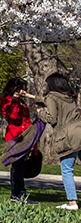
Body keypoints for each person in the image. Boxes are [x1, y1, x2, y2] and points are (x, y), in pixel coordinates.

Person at [34, 73, 81, 211]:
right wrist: (32, 97)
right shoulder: (69, 97)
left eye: (47, 84)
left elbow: (52, 119)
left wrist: (40, 112)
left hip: (68, 136)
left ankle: (72, 203)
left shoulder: (52, 96)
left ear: (52, 84)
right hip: (79, 131)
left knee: (67, 170)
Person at [0, 77, 36, 203]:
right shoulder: (7, 102)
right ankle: (17, 194)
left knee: (21, 166)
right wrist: (15, 100)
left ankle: (19, 192)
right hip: (15, 136)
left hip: (24, 136)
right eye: (18, 89)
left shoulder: (20, 102)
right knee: (17, 166)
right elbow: (14, 116)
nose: (20, 92)